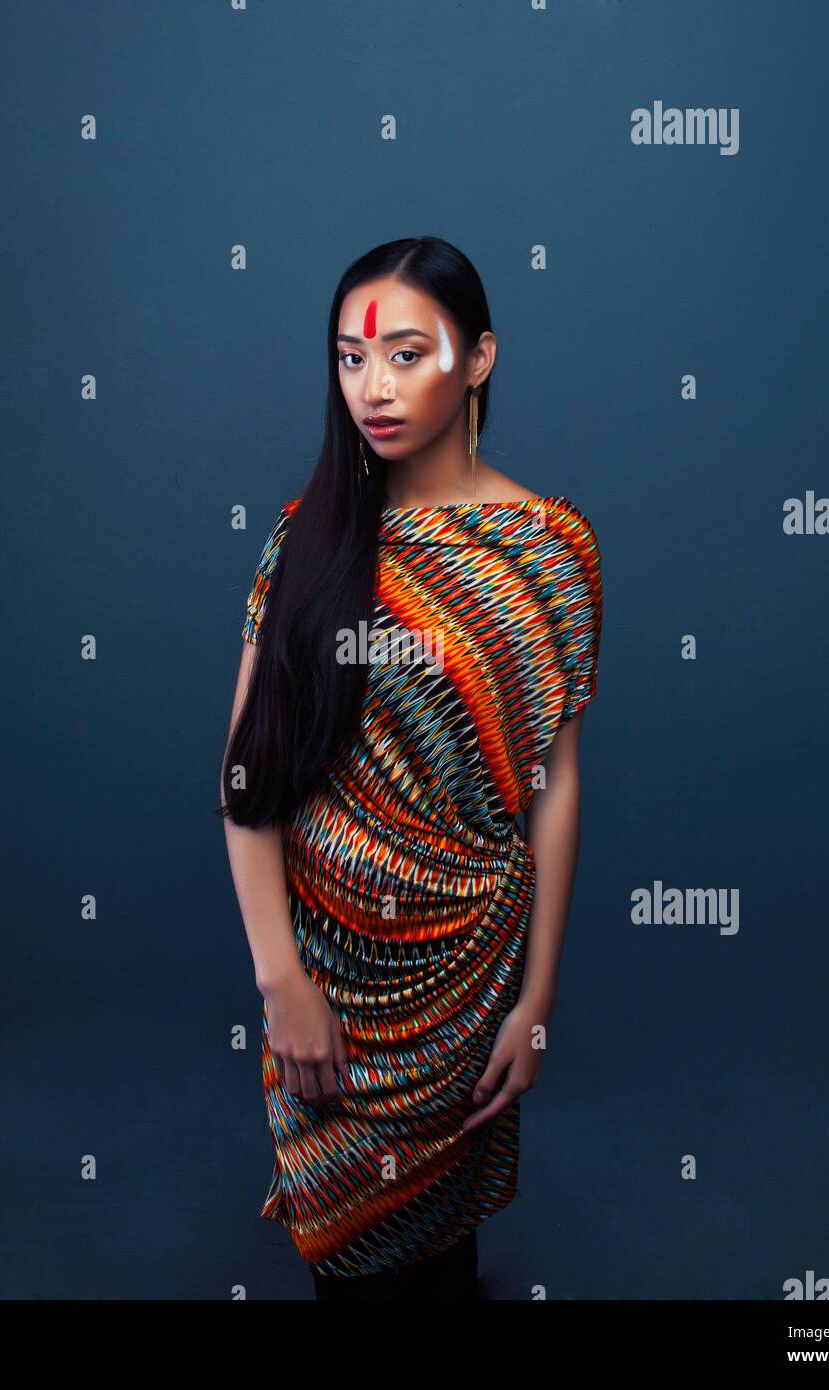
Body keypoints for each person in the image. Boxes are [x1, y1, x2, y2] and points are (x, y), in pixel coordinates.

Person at [220, 235, 603, 1300]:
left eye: (404, 353)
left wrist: (537, 995)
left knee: (442, 1261)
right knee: (356, 1256)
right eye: (349, 358)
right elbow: (245, 785)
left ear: (477, 359)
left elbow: (556, 782)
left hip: (474, 976)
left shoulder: (550, 549)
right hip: (328, 988)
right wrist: (279, 981)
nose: (371, 387)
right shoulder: (307, 543)